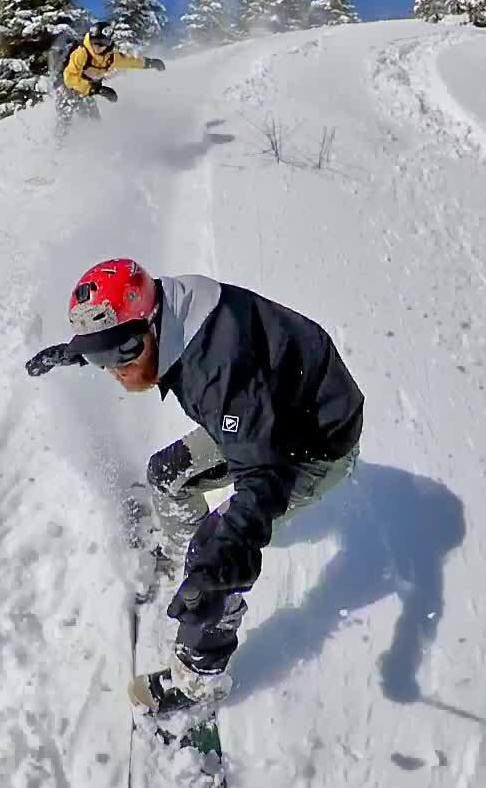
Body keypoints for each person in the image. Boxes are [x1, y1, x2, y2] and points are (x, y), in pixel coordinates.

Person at [26, 259, 364, 712]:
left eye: (122, 353)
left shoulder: (215, 372)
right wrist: (79, 350)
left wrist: (215, 567)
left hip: (308, 446)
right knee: (165, 476)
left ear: (151, 326)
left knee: (220, 550)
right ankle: (194, 567)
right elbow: (119, 330)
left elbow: (265, 479)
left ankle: (199, 678)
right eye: (100, 355)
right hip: (270, 414)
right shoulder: (172, 311)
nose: (115, 370)